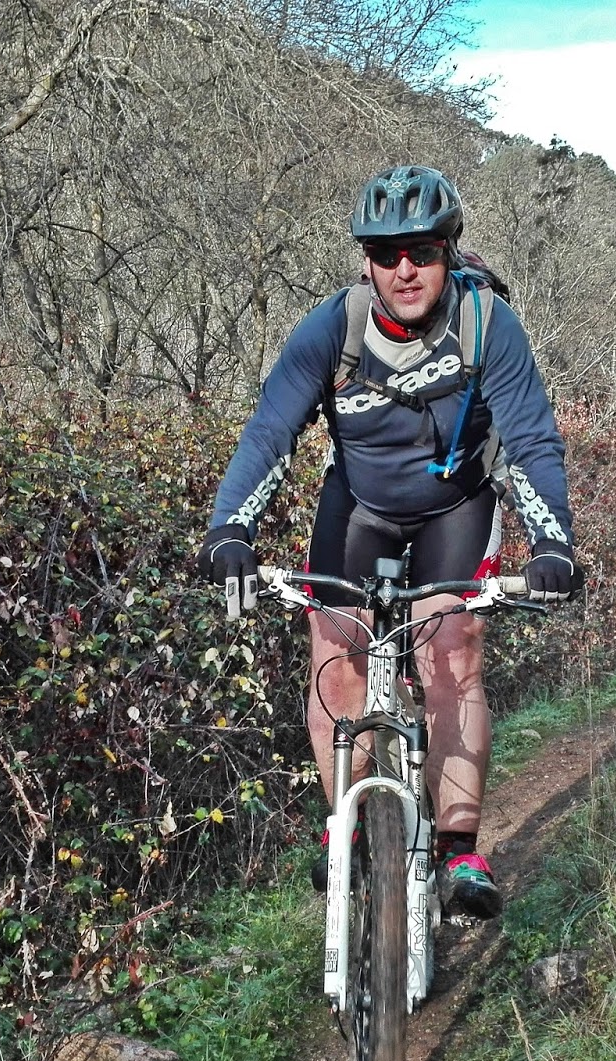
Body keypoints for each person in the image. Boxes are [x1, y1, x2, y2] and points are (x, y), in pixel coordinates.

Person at [196, 164, 576, 920]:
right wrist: (230, 526)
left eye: (424, 250)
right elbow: (272, 431)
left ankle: (459, 847)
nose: (405, 268)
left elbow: (532, 442)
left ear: (449, 250)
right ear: (366, 259)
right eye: (386, 251)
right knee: (336, 656)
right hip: (360, 506)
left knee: (451, 647)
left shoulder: (486, 323)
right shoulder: (333, 327)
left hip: (455, 508)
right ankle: (350, 832)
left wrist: (553, 543)